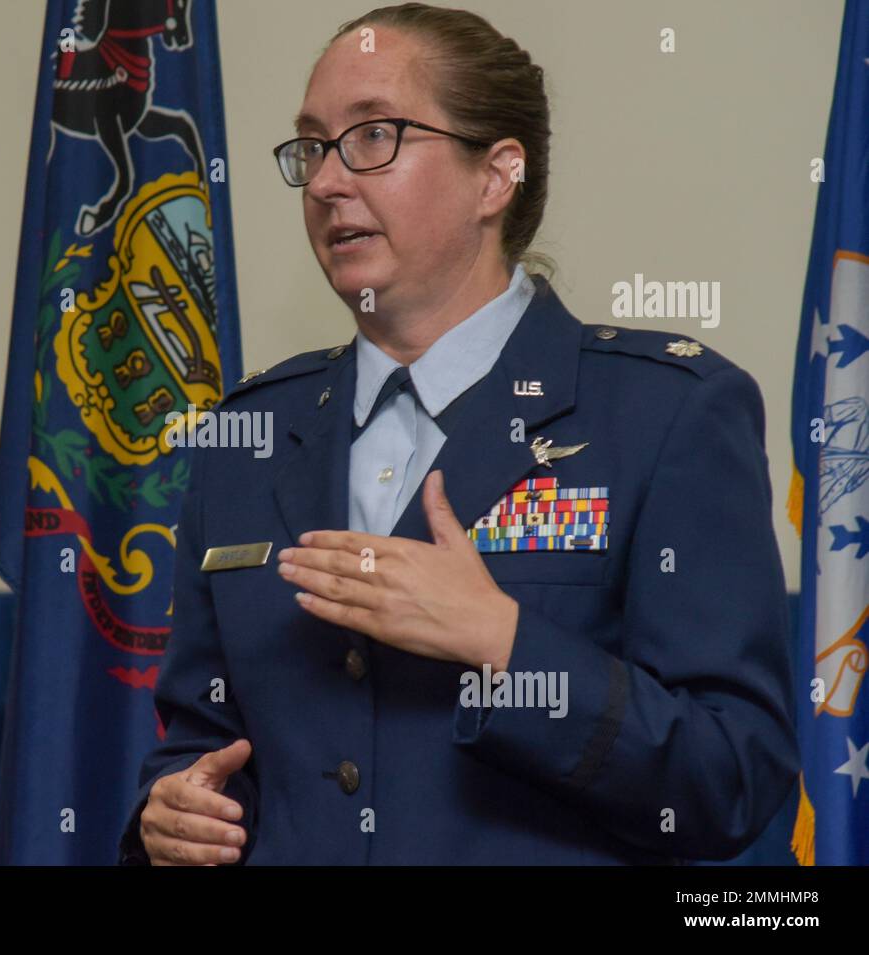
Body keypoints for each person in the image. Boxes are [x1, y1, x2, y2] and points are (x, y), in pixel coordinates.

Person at [117, 2, 798, 865]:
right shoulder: (248, 434)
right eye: (314, 147)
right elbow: (200, 738)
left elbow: (732, 774)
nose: (328, 181)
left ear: (496, 175)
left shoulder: (666, 414)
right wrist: (171, 813)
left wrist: (506, 645)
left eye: (375, 137)